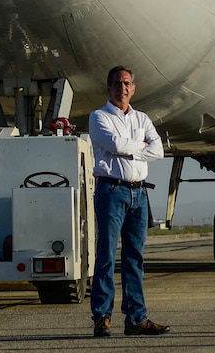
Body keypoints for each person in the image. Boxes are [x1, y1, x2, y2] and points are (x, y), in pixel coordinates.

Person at [89, 66, 170, 338]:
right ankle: (102, 317)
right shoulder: (99, 116)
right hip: (111, 192)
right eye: (116, 83)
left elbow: (158, 150)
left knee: (135, 258)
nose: (122, 88)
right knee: (106, 256)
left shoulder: (142, 118)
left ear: (133, 88)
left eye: (126, 83)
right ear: (108, 88)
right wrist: (139, 146)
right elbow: (113, 144)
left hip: (139, 194)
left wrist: (130, 148)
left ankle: (136, 318)